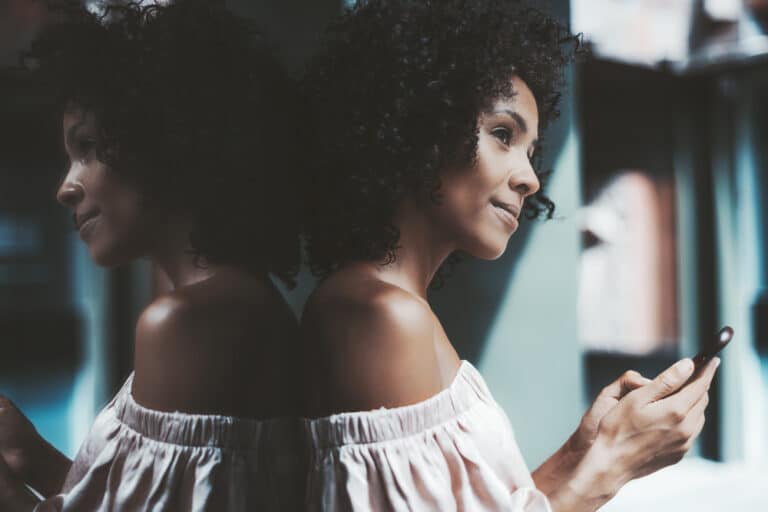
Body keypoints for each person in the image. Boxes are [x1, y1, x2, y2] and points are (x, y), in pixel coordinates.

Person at [298, 1, 719, 510]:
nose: (530, 177)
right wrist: (615, 461)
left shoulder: (390, 307)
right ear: (421, 128)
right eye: (503, 134)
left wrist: (583, 447)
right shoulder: (379, 315)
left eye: (531, 151)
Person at [0, 1, 303, 510]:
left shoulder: (187, 322)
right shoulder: (244, 304)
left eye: (87, 147)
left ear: (162, 136)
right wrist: (28, 454)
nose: (65, 188)